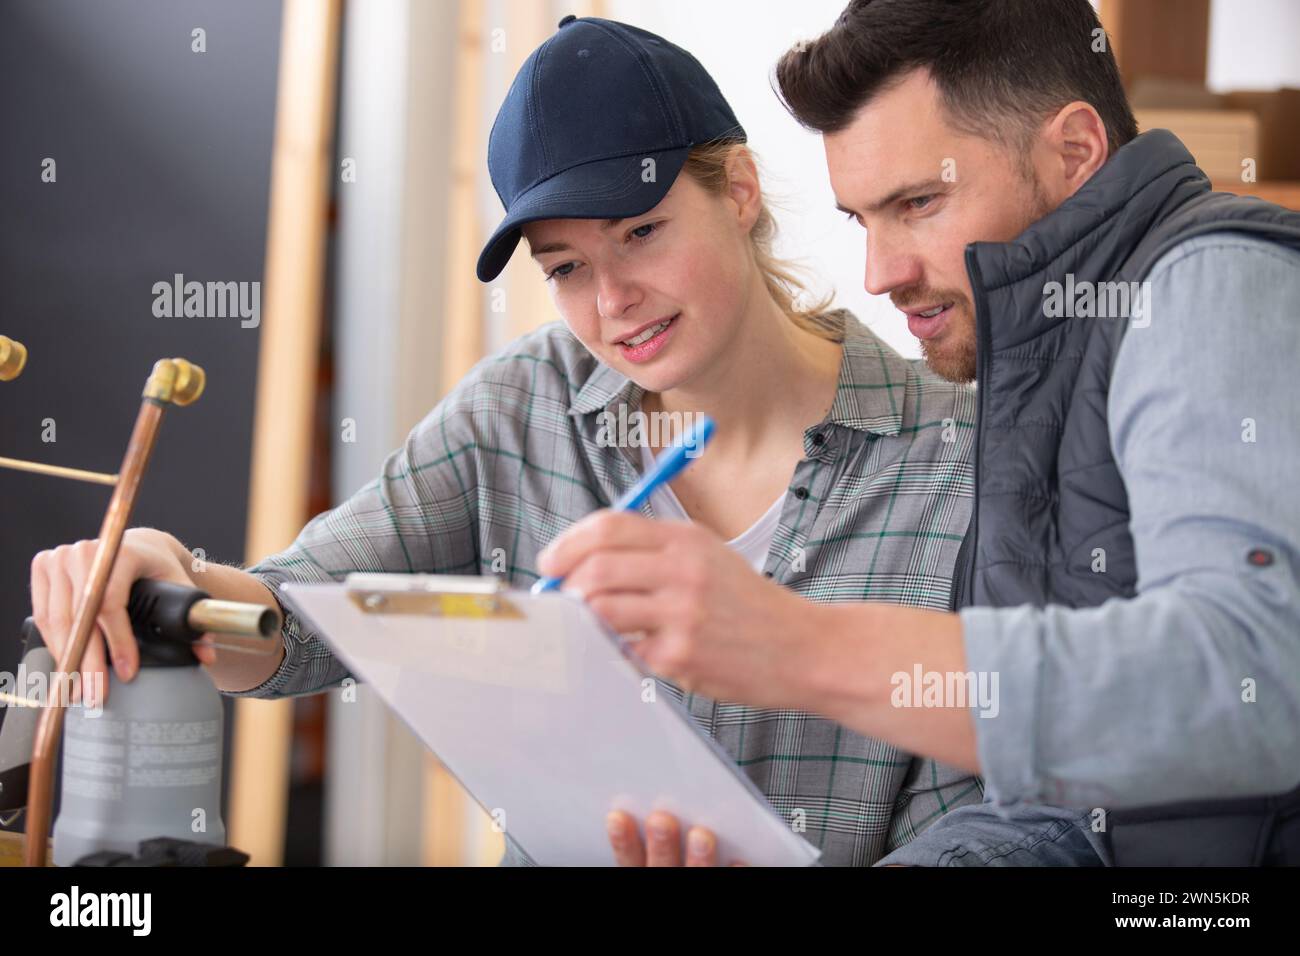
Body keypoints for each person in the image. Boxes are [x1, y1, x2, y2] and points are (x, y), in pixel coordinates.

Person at [28, 16, 984, 867]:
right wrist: (171, 581)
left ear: (737, 190)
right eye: (566, 267)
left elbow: (990, 819)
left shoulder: (957, 457)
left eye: (642, 233)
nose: (612, 303)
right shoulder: (525, 405)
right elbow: (295, 625)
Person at [539, 0, 1300, 865]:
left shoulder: (1211, 283)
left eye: (919, 202)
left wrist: (796, 642)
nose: (879, 274)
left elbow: (1253, 685)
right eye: (862, 220)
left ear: (1075, 152)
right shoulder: (1035, 357)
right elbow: (1056, 816)